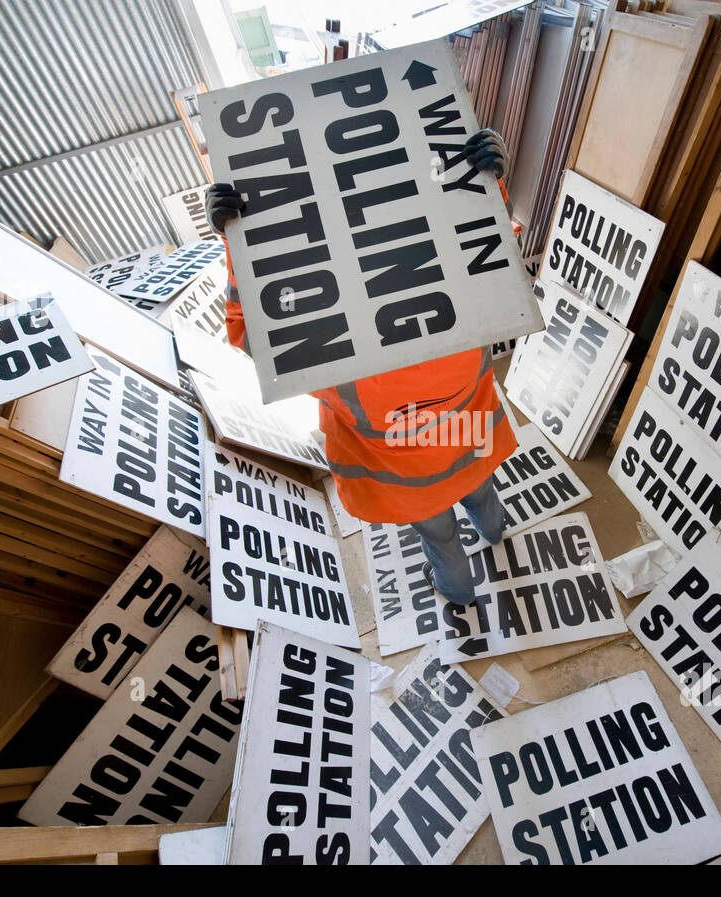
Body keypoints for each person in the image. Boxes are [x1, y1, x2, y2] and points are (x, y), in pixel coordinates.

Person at [204, 129, 517, 607]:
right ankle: (497, 533)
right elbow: (492, 253)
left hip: (410, 480)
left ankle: (458, 594)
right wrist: (490, 182)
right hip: (471, 441)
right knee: (481, 497)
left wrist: (238, 243)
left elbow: (249, 332)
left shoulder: (331, 354)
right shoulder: (464, 308)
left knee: (442, 541)